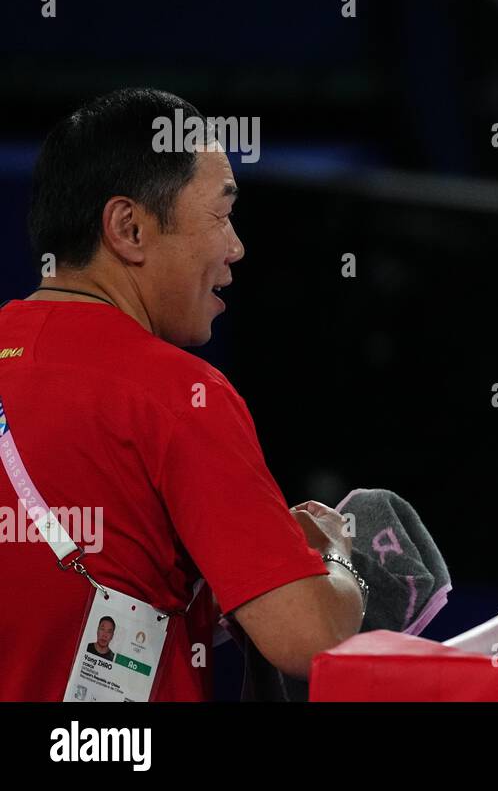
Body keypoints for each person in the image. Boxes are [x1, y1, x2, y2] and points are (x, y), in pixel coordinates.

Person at [0, 88, 366, 701]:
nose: (236, 249)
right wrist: (336, 560)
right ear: (130, 228)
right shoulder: (179, 394)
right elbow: (312, 639)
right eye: (221, 216)